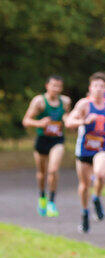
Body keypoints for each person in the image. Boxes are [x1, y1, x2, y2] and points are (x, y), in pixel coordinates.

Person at [65, 73, 105, 233]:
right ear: (90, 88)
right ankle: (85, 213)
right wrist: (84, 121)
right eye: (96, 86)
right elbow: (69, 122)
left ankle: (96, 197)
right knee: (84, 185)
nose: (98, 89)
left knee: (100, 175)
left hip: (103, 147)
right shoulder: (84, 104)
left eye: (102, 86)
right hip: (85, 148)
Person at [21, 75, 71, 217]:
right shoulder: (39, 101)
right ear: (47, 86)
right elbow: (26, 121)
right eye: (54, 85)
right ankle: (42, 197)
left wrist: (68, 121)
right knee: (41, 174)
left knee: (53, 170)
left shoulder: (65, 101)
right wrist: (40, 123)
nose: (56, 89)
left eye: (59, 86)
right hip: (42, 140)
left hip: (57, 140)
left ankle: (51, 202)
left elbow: (66, 116)